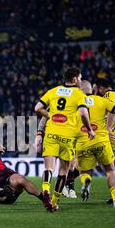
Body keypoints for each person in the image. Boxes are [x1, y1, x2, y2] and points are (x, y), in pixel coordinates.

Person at [34, 67, 94, 211]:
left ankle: (45, 190)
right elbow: (83, 114)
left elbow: (37, 108)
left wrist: (51, 116)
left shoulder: (53, 91)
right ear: (74, 79)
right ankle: (54, 202)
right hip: (68, 136)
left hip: (51, 134)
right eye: (80, 78)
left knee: (48, 167)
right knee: (63, 171)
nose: (80, 81)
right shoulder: (79, 95)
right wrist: (90, 130)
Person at [75, 80, 115, 209]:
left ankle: (87, 180)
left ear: (80, 90)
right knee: (110, 171)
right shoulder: (102, 100)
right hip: (101, 140)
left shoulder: (76, 102)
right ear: (92, 89)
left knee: (84, 171)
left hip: (83, 142)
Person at [0, 143, 55, 211]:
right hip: (0, 192)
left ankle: (44, 198)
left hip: (7, 180)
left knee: (18, 179)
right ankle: (3, 193)